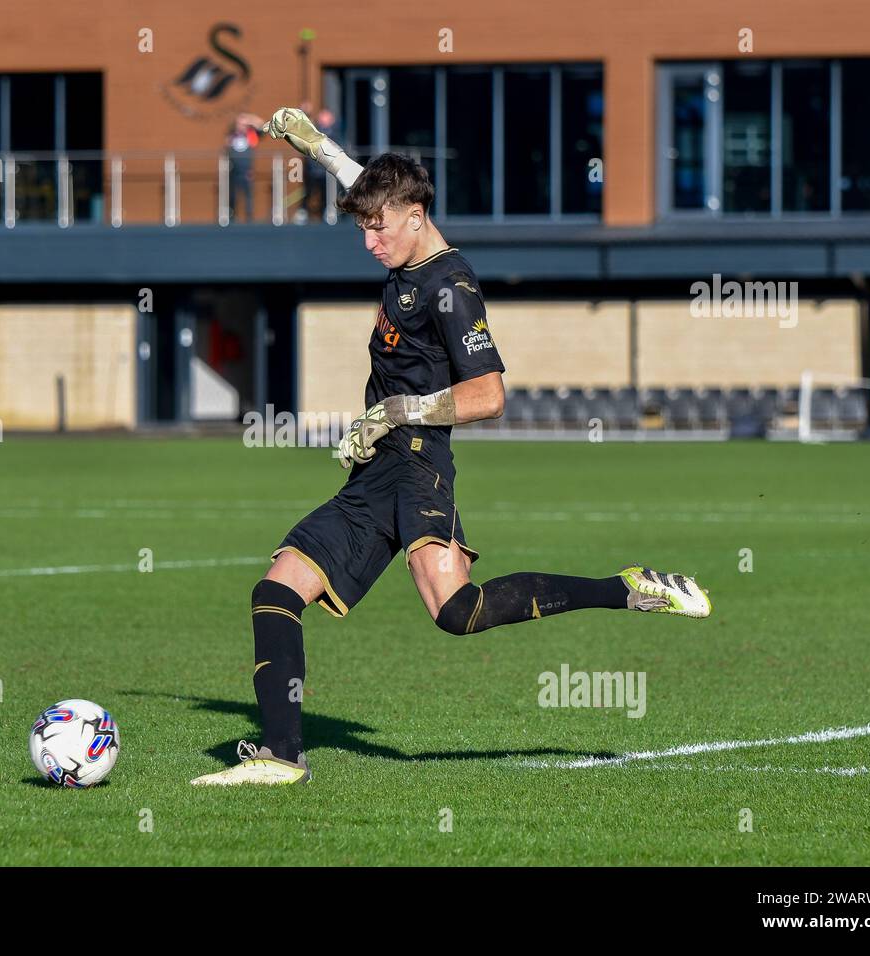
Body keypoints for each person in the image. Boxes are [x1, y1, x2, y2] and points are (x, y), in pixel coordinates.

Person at [191, 108, 712, 787]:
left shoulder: (451, 288)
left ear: (414, 215)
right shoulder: (398, 228)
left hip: (416, 466)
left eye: (376, 228)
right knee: (276, 589)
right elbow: (365, 183)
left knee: (456, 613)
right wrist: (315, 145)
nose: (368, 242)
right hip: (376, 468)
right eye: (361, 227)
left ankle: (627, 587)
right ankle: (282, 757)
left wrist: (400, 411)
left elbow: (489, 395)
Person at [225, 113, 263, 223]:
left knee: (248, 197)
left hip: (247, 172)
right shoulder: (232, 136)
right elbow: (226, 149)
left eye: (243, 124)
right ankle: (231, 217)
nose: (242, 126)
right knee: (232, 196)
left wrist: (250, 119)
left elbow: (262, 126)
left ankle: (249, 219)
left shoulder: (251, 135)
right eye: (240, 124)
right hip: (234, 171)